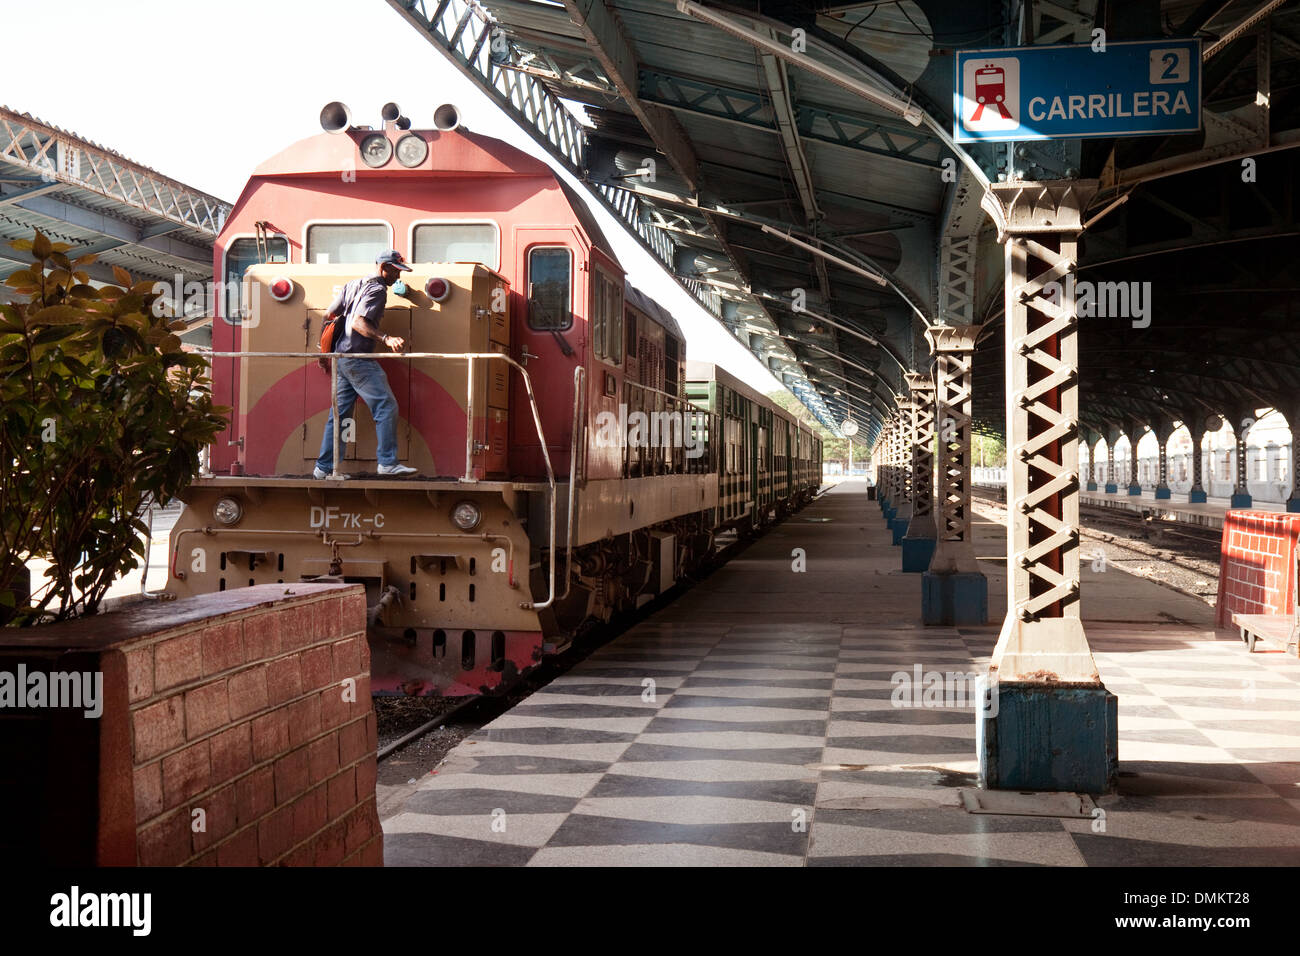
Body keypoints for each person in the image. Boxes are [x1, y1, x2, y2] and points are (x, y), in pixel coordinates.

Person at [313, 249, 418, 478]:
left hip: (341, 359)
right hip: (358, 359)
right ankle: (388, 462)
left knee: (339, 416)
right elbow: (359, 323)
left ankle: (324, 468)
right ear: (384, 268)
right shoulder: (378, 290)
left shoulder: (353, 284)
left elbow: (328, 316)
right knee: (386, 406)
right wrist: (386, 338)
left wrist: (324, 352)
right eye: (396, 272)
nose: (398, 277)